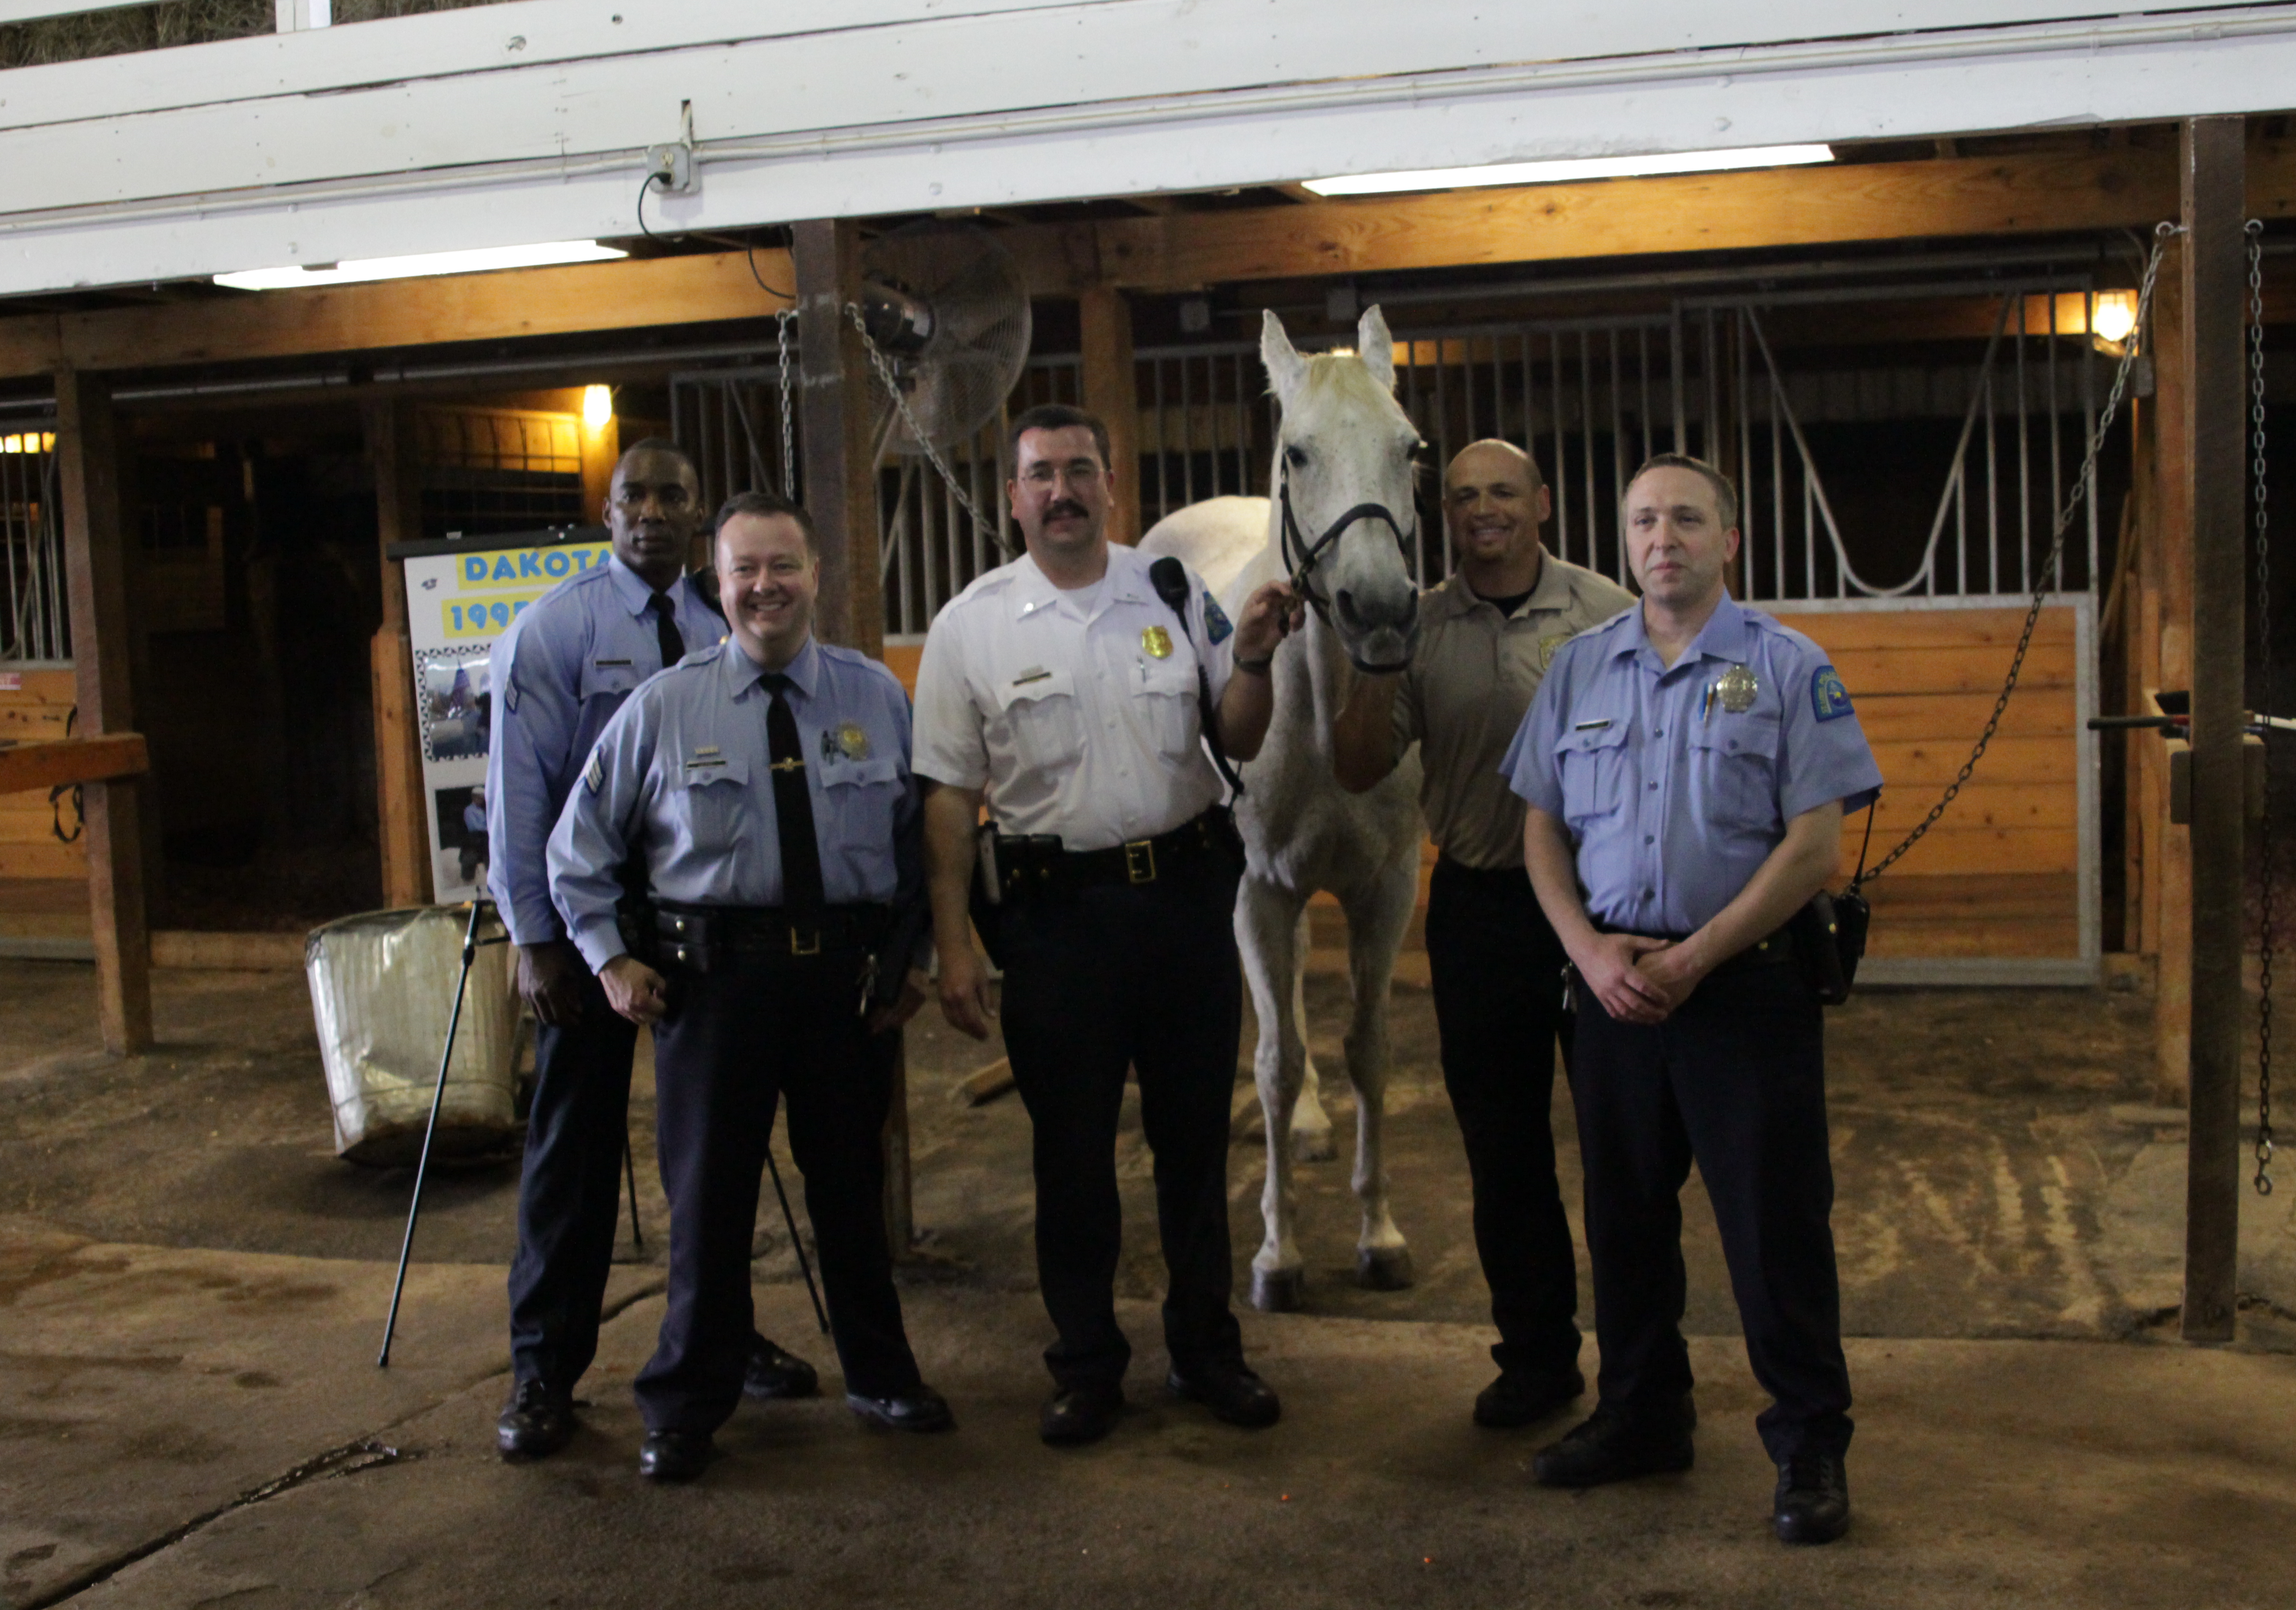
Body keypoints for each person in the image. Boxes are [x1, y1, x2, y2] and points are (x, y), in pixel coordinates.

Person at [1503, 453, 1880, 1546]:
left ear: (1730, 541)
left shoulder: (1787, 668)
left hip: (1743, 995)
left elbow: (1813, 848)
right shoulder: (1579, 671)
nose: (1662, 538)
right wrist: (1591, 958)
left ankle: (1810, 1443)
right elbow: (1541, 830)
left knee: (1773, 1228)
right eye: (1643, 521)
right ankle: (1641, 1416)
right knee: (1623, 1220)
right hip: (1616, 996)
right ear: (1624, 542)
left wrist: (1696, 959)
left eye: (1686, 519)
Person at [913, 402, 1299, 1448]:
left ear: (1111, 486)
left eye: (1081, 470)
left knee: (1191, 1149)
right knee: (1072, 1158)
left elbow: (1238, 734)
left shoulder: (1174, 594)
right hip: (1053, 924)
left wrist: (1256, 658)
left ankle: (1206, 1352)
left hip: (1183, 906)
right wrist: (954, 943)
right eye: (1041, 475)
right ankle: (1086, 1366)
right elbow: (947, 799)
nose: (1063, 492)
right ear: (1014, 498)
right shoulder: (971, 624)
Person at [549, 491, 947, 1482]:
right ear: (715, 586)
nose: (765, 587)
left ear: (816, 576)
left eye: (783, 567)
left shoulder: (875, 696)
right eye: (744, 571)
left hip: (845, 992)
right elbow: (576, 852)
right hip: (713, 991)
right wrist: (609, 958)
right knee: (710, 1203)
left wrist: (921, 964)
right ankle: (686, 1400)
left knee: (852, 1193)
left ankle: (881, 1372)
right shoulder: (664, 707)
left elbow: (921, 849)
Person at [484, 441, 818, 1462]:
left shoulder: (735, 615)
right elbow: (520, 796)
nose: (653, 513)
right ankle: (545, 1369)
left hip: (703, 921)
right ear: (607, 509)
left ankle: (716, 1334)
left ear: (698, 511)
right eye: (635, 496)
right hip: (594, 926)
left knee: (713, 1152)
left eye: (675, 495)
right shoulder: (557, 628)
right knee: (573, 1147)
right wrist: (538, 937)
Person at [1329, 439, 1633, 1430]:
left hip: (1603, 912)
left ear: (1542, 503)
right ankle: (1538, 1359)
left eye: (1502, 492)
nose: (1483, 511)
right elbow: (1363, 765)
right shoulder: (1418, 625)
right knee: (1504, 1156)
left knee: (1622, 1151)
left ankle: (1640, 1372)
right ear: (1442, 516)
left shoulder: (1607, 614)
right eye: (1462, 498)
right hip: (1483, 910)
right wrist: (1371, 660)